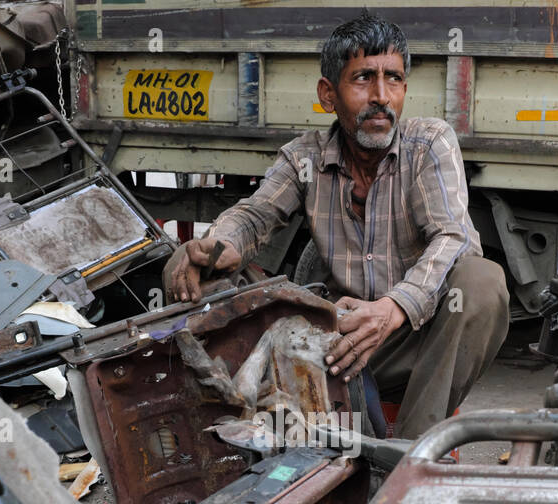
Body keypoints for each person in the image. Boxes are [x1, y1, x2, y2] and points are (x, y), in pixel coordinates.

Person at [162, 12, 509, 438]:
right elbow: (253, 216)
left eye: (394, 79)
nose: (381, 96)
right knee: (199, 272)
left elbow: (453, 236)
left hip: (411, 341)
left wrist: (394, 307)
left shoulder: (429, 144)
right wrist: (216, 247)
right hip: (332, 347)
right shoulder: (304, 158)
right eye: (363, 78)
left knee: (481, 281)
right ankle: (240, 438)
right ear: (328, 94)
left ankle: (409, 457)